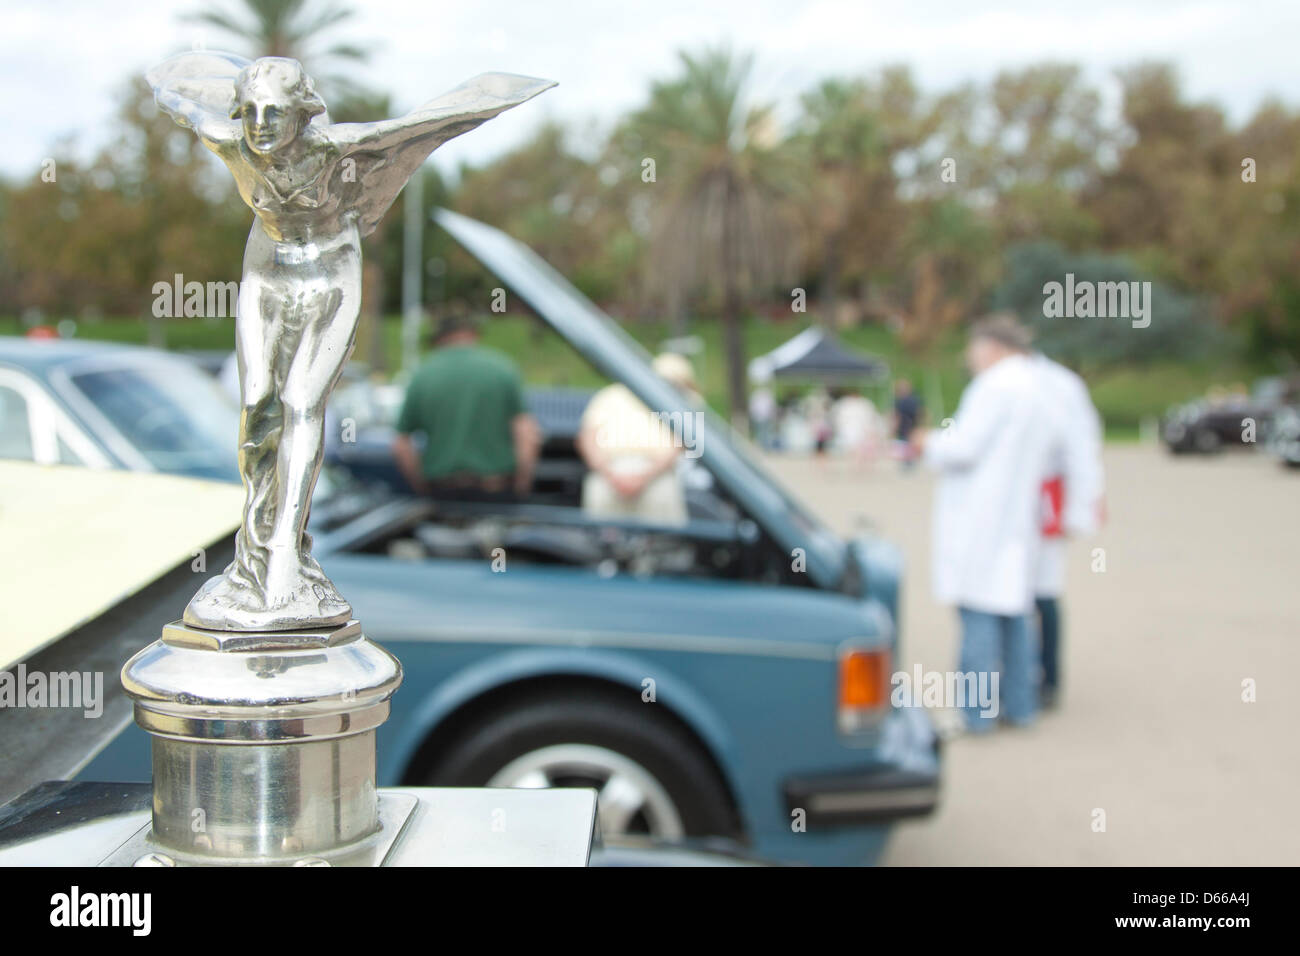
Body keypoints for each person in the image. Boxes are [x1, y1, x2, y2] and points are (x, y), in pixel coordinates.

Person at [913, 314, 1064, 733]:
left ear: (993, 347)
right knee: (1014, 615)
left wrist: (929, 442)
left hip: (982, 518)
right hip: (1017, 519)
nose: (970, 356)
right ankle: (1020, 706)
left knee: (978, 614)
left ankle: (975, 714)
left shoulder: (996, 386)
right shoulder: (1041, 388)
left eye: (973, 348)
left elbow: (964, 447)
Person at [392, 312, 539, 501]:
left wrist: (421, 486)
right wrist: (522, 483)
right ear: (473, 334)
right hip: (496, 488)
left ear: (439, 339)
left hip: (442, 491)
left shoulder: (422, 375)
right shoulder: (502, 369)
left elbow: (401, 445)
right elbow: (526, 433)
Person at [1032, 352, 1105, 710]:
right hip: (1016, 503)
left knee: (1044, 592)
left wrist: (1080, 511)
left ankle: (1049, 679)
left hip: (1045, 502)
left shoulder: (1060, 385)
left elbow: (1082, 449)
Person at [576, 353, 695, 525]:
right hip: (610, 477)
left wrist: (642, 477)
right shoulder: (610, 396)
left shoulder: (681, 401)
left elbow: (679, 445)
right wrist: (612, 475)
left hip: (656, 478)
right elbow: (588, 439)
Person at [891, 379, 924, 469]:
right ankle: (909, 463)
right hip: (910, 426)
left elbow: (896, 416)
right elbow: (921, 413)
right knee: (908, 445)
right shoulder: (914, 399)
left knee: (906, 445)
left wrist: (893, 428)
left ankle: (907, 463)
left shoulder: (902, 400)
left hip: (906, 427)